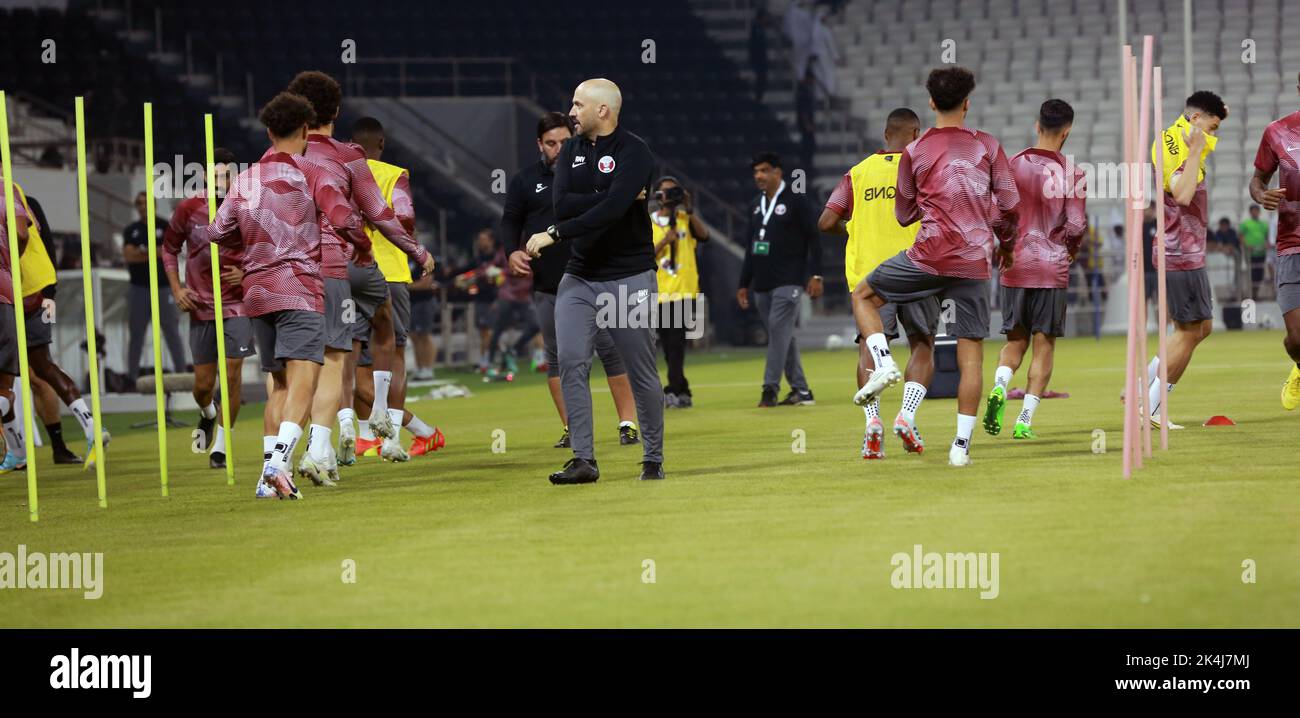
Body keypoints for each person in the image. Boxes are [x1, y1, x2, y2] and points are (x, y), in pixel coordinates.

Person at [192, 91, 362, 499]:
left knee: (280, 386)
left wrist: (248, 237)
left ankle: (267, 480)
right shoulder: (311, 171)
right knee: (306, 382)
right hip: (299, 288)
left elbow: (215, 232)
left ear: (268, 131)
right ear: (306, 129)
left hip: (255, 293)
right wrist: (360, 239)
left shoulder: (245, 179)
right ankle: (276, 465)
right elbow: (342, 215)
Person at [850, 66, 1020, 467]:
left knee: (864, 294)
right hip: (973, 260)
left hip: (926, 256)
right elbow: (1011, 205)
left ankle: (884, 360)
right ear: (967, 103)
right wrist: (1004, 242)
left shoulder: (915, 150)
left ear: (930, 102)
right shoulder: (988, 146)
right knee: (971, 357)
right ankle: (960, 449)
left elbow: (905, 215)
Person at [284, 71, 434, 482]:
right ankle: (382, 417)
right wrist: (417, 250)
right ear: (335, 111)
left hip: (293, 273)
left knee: (306, 365)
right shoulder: (349, 156)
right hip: (349, 262)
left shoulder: (278, 161)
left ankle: (303, 449)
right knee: (381, 330)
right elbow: (383, 215)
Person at [525, 78, 665, 483]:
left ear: (602, 110)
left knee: (640, 371)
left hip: (630, 277)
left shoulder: (635, 151)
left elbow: (610, 212)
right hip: (580, 276)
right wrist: (611, 196)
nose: (571, 111)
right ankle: (583, 460)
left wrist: (557, 232)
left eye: (578, 104)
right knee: (570, 362)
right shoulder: (569, 149)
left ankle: (653, 458)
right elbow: (563, 204)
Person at [505, 111, 641, 448]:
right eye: (551, 143)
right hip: (549, 283)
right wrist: (511, 251)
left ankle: (628, 423)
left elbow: (612, 206)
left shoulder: (589, 171)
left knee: (613, 351)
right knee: (560, 358)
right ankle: (572, 429)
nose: (558, 149)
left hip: (597, 276)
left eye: (564, 142)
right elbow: (510, 220)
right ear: (539, 144)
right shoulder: (524, 181)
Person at [819, 107, 935, 459]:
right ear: (916, 134)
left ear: (886, 135)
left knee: (869, 350)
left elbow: (826, 221)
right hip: (916, 270)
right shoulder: (922, 171)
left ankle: (872, 424)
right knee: (923, 344)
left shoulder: (857, 174)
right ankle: (907, 415)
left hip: (871, 280)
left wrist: (852, 228)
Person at [984, 99, 1087, 440]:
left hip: (1016, 265)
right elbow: (1075, 225)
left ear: (1036, 125)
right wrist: (1071, 250)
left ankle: (1000, 386)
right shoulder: (1073, 174)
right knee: (1044, 345)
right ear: (1067, 132)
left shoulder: (1011, 166)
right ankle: (1024, 420)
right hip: (1051, 268)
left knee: (1015, 342)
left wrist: (1005, 245)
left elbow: (997, 215)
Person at [349, 116, 444, 458]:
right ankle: (397, 435)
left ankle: (371, 434)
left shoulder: (340, 173)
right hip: (390, 273)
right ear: (382, 143)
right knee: (395, 353)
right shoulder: (394, 175)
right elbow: (404, 220)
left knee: (354, 357)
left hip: (349, 273)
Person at [162, 147, 254, 470]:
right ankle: (208, 414)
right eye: (215, 175)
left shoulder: (247, 205)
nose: (220, 180)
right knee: (203, 386)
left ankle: (222, 447)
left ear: (234, 176)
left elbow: (265, 247)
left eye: (226, 175)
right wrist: (177, 288)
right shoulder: (189, 208)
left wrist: (247, 273)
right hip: (200, 306)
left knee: (231, 374)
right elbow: (169, 248)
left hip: (237, 304)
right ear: (204, 176)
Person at [1142, 90, 1228, 429]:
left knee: (1201, 327)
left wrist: (1215, 116)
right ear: (1195, 120)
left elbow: (1206, 123)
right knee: (1190, 331)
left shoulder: (1181, 134)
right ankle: (1148, 404)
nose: (1214, 133)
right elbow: (1182, 194)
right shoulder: (1177, 144)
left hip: (1186, 250)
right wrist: (1195, 150)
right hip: (1179, 251)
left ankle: (1139, 389)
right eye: (1213, 125)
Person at [13, 180, 108, 468]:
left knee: (34, 375)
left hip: (26, 292)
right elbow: (48, 245)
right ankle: (80, 431)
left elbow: (33, 240)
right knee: (42, 368)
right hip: (41, 290)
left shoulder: (13, 196)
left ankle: (29, 450)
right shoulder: (20, 195)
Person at [737, 151, 823, 407]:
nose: (759, 176)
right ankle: (802, 391)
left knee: (777, 332)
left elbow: (814, 239)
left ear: (778, 172)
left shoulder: (797, 200)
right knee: (783, 336)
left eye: (764, 170)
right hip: (762, 283)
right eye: (756, 172)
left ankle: (769, 389)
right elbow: (751, 247)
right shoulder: (754, 204)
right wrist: (744, 283)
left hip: (789, 280)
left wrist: (816, 274)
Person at [1249, 74, 1300, 409]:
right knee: (1297, 338)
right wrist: (1261, 195)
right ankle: (1298, 365)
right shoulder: (1277, 132)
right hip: (1291, 243)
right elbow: (1257, 180)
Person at [652, 175, 709, 408]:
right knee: (669, 346)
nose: (672, 195)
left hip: (684, 292)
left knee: (676, 344)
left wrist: (690, 208)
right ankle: (682, 389)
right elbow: (644, 256)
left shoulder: (685, 219)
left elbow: (704, 236)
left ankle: (674, 389)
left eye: (675, 190)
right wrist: (665, 241)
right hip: (660, 292)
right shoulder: (649, 223)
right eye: (668, 191)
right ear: (657, 196)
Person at [123, 191, 187, 380]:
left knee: (172, 332)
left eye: (145, 203)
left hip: (163, 287)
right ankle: (132, 379)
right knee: (136, 334)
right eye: (139, 203)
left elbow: (168, 251)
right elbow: (128, 256)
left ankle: (182, 374)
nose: (143, 207)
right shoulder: (131, 229)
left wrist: (141, 251)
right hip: (139, 288)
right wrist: (154, 251)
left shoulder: (164, 226)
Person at [0, 178, 31, 473]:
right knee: (4, 388)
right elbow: (22, 234)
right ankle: (18, 452)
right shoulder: (8, 190)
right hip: (6, 289)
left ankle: (18, 453)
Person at [1239, 204, 1269, 298]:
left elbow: (1267, 237)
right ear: (1250, 212)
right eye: (1253, 211)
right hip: (1250, 253)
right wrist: (1247, 245)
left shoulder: (1263, 224)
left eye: (1257, 211)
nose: (1255, 212)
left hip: (1261, 252)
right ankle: (1251, 293)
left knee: (1260, 273)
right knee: (1251, 273)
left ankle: (1256, 293)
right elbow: (1241, 236)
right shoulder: (1246, 223)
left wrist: (1266, 244)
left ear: (1259, 212)